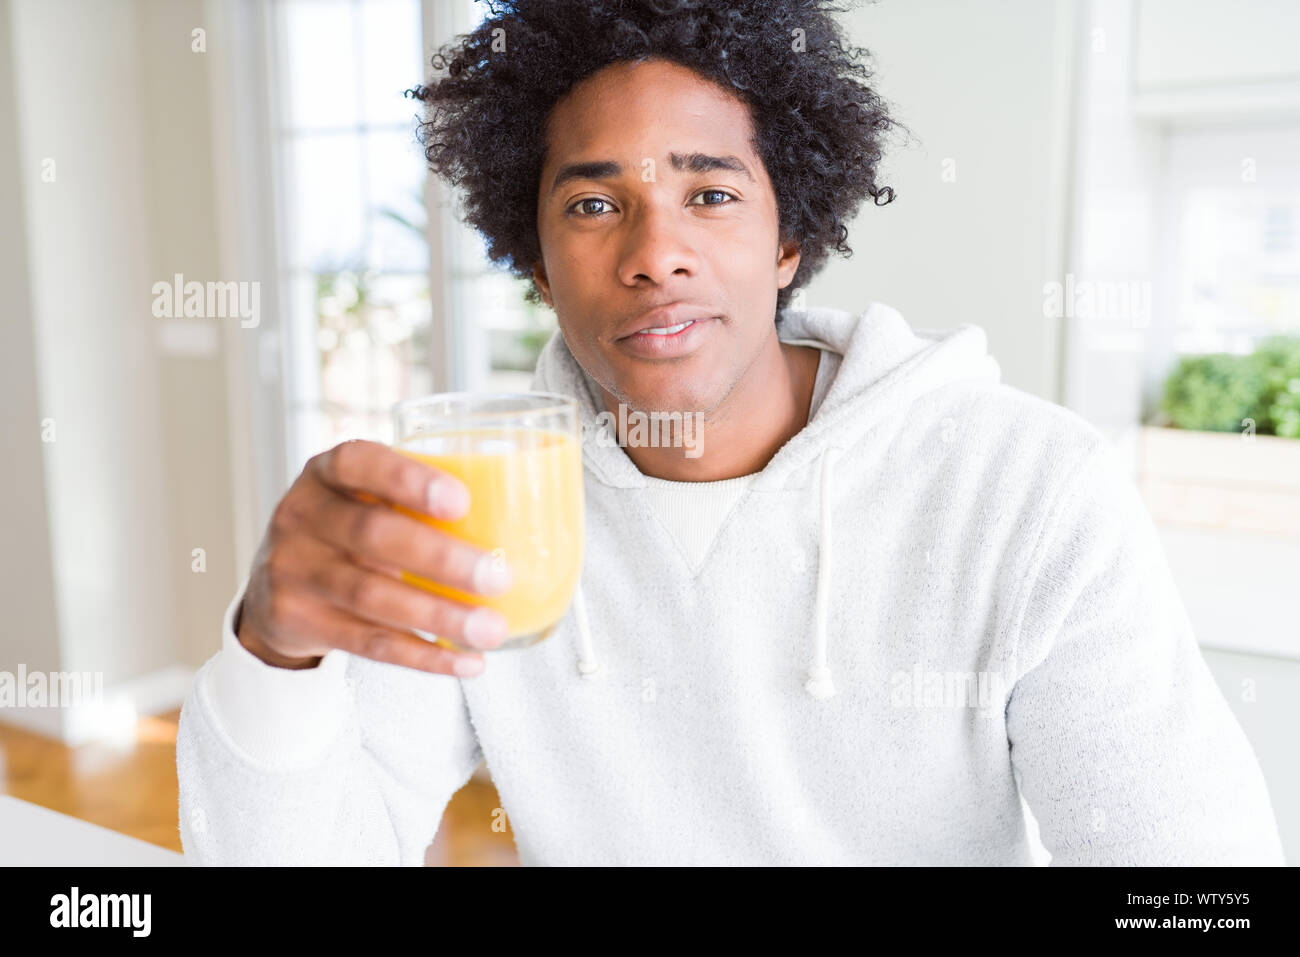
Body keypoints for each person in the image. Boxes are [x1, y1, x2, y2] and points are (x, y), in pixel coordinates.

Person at [176, 0, 1285, 866]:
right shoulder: (472, 498)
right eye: (594, 203)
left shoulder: (1027, 491)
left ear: (790, 238)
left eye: (709, 195)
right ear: (536, 262)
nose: (656, 252)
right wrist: (277, 652)